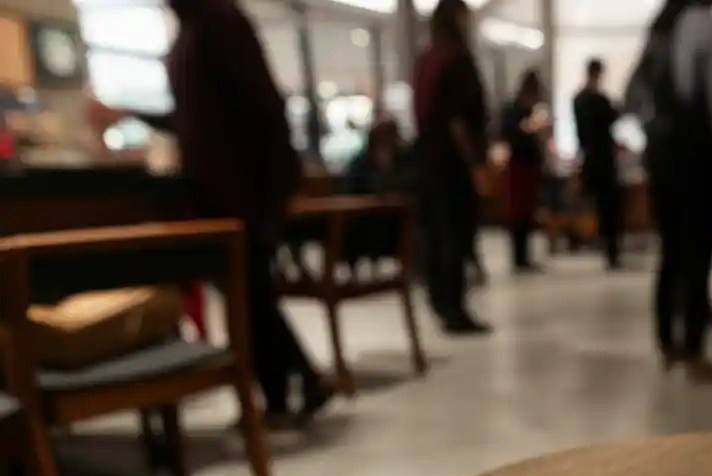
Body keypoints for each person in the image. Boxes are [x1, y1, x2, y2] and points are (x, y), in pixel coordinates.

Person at [88, 0, 331, 428]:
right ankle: (291, 387)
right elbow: (195, 119)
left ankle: (287, 390)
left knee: (248, 295)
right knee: (250, 296)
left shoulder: (216, 24)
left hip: (241, 193)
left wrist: (279, 188)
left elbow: (261, 108)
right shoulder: (194, 31)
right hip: (221, 194)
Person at [627, 0, 712, 381]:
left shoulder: (661, 30)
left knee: (671, 254)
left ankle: (667, 343)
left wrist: (653, 130)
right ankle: (694, 351)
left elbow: (633, 96)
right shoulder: (707, 29)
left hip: (663, 162)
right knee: (698, 255)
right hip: (699, 162)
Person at [413, 0, 493, 335]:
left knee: (437, 234)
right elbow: (458, 119)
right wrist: (475, 164)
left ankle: (441, 302)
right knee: (455, 236)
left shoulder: (427, 60)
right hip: (453, 164)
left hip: (428, 161)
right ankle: (454, 308)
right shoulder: (456, 61)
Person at [574, 59, 624, 270]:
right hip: (603, 157)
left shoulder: (578, 99)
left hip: (589, 155)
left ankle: (601, 244)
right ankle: (611, 250)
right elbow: (613, 119)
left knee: (598, 203)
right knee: (609, 206)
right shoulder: (599, 100)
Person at [343, 118, 412, 272]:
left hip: (395, 223)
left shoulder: (404, 160)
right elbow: (351, 190)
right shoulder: (362, 162)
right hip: (365, 220)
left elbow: (408, 185)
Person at [501, 71, 548, 273]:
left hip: (529, 164)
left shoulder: (529, 110)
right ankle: (518, 257)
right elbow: (510, 134)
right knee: (517, 211)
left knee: (527, 211)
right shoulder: (513, 111)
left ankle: (524, 256)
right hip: (519, 163)